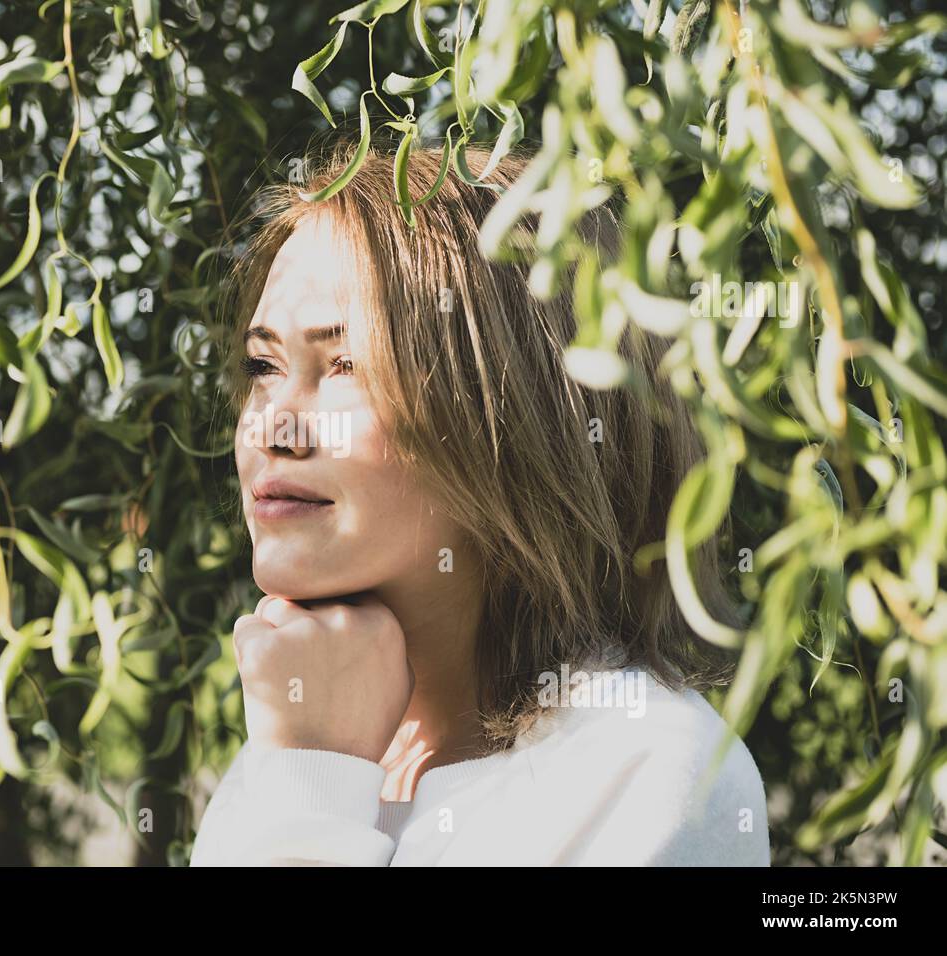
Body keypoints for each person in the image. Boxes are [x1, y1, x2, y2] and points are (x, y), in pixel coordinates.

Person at [189, 143, 769, 866]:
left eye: (347, 365)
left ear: (516, 414)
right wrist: (311, 774)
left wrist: (313, 795)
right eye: (264, 366)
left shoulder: (644, 767)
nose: (271, 426)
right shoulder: (282, 756)